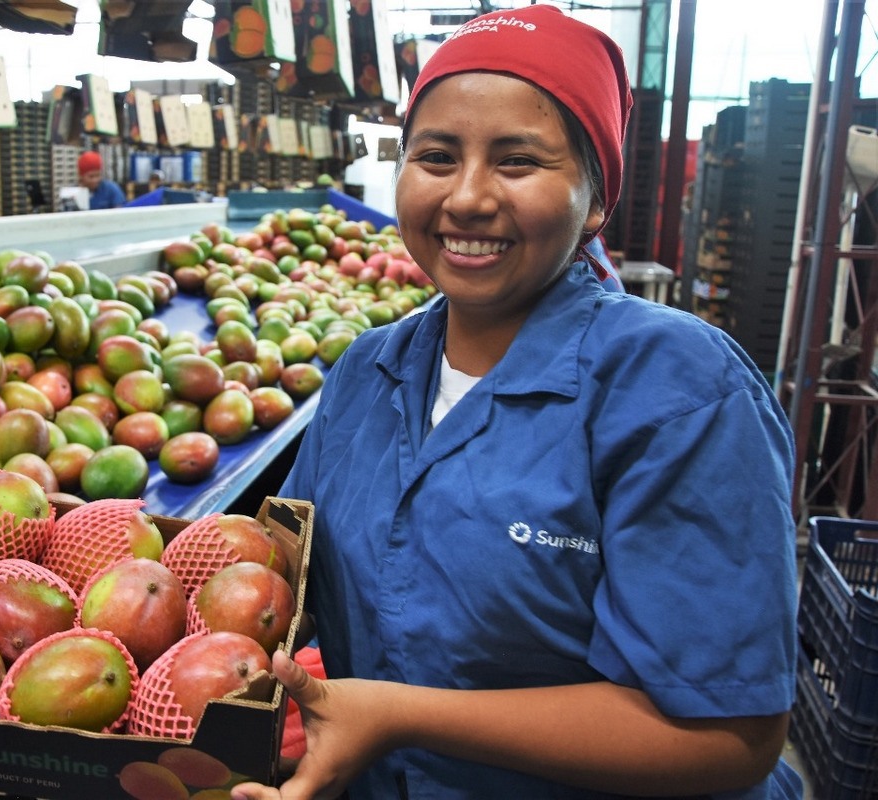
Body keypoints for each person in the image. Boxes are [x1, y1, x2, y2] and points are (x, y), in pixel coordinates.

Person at [233, 6, 802, 800]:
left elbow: (729, 738)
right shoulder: (368, 374)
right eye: (435, 156)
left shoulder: (677, 390)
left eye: (518, 162)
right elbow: (287, 590)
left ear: (594, 200)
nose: (466, 198)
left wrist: (399, 715)